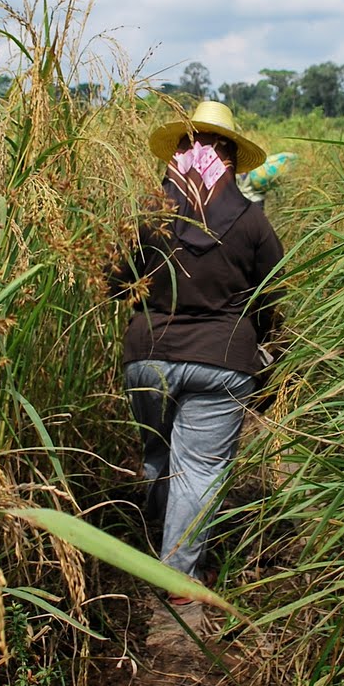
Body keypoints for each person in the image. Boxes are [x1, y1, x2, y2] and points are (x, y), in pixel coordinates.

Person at [113, 100, 284, 601]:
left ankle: (161, 542)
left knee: (159, 454)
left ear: (181, 157)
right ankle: (180, 577)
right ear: (228, 158)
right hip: (222, 359)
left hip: (147, 357)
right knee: (201, 468)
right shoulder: (251, 222)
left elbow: (116, 285)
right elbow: (270, 297)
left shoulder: (149, 215)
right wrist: (272, 353)